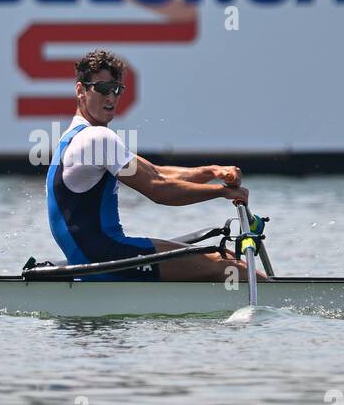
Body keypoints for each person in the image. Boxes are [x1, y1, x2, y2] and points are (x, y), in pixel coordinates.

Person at [45, 48, 258, 281]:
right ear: (80, 91)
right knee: (229, 266)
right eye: (103, 89)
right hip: (106, 258)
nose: (111, 97)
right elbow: (158, 190)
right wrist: (222, 192)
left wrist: (212, 171)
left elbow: (157, 173)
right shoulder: (97, 138)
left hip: (92, 258)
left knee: (223, 257)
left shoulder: (74, 138)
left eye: (117, 90)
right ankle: (272, 312)